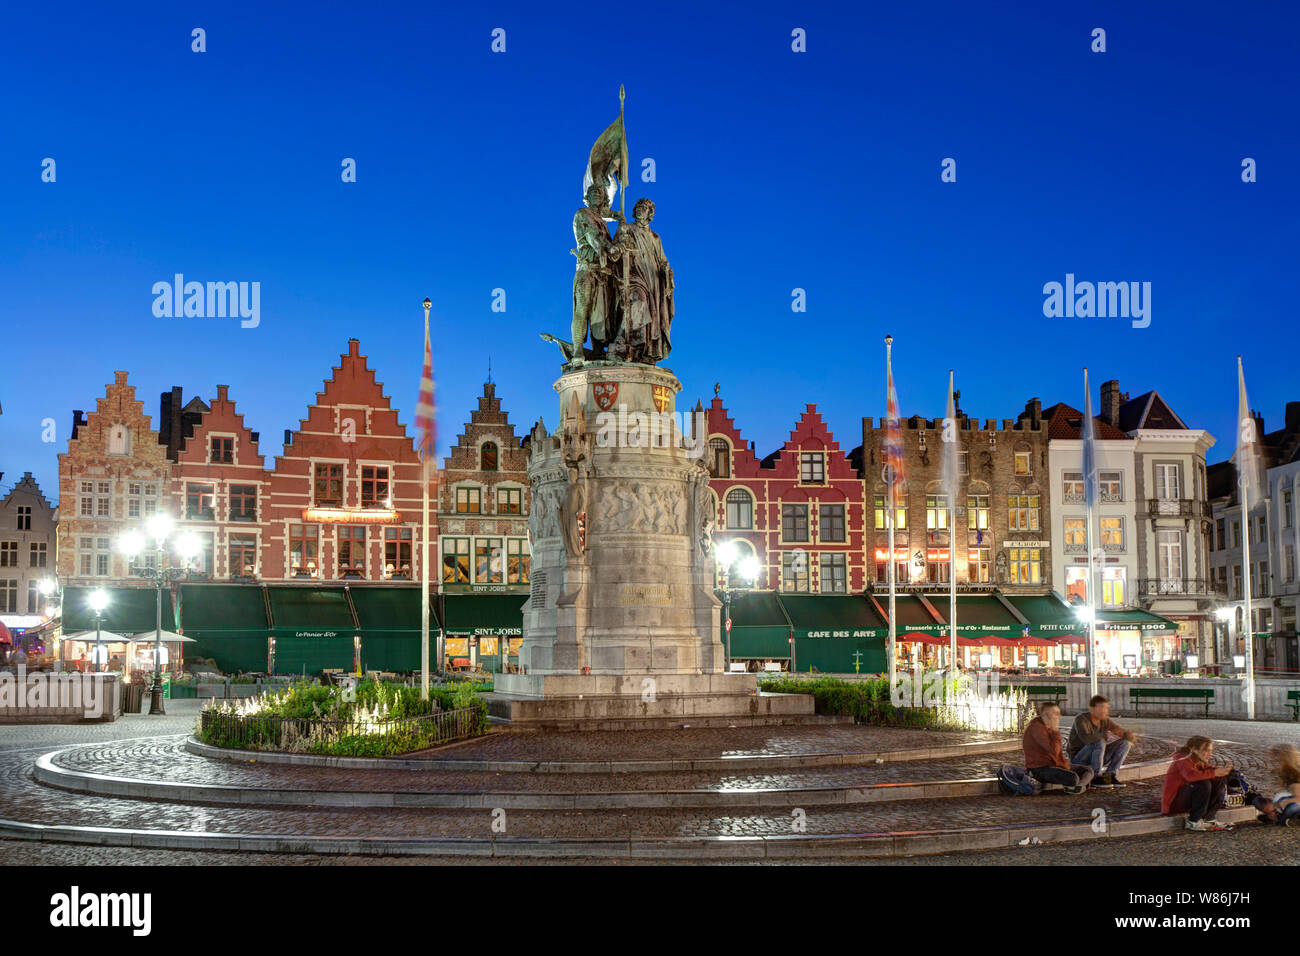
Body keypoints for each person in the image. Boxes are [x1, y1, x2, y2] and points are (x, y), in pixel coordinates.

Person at [1162, 736, 1234, 831]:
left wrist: (1222, 771)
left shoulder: (1198, 759)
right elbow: (1190, 775)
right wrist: (1214, 772)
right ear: (1194, 749)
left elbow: (1208, 770)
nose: (1210, 754)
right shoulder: (1182, 758)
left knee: (1219, 779)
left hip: (1188, 799)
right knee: (1203, 783)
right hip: (1174, 804)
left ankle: (1209, 818)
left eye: (1211, 751)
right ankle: (1193, 821)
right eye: (1206, 750)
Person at [1022, 702, 1094, 794]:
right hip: (1039, 769)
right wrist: (1055, 730)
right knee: (1073, 777)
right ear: (1046, 714)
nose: (1059, 715)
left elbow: (1058, 755)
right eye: (1055, 713)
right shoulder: (1036, 728)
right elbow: (1053, 751)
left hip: (1055, 765)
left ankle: (1077, 787)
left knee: (1088, 770)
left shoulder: (1048, 727)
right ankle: (1076, 786)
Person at [1068, 694, 1137, 788]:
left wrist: (1127, 735)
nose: (1105, 710)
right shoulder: (1081, 719)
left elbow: (1117, 729)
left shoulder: (1104, 720)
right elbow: (1085, 738)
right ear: (1092, 708)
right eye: (1101, 707)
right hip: (1079, 760)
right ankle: (1095, 777)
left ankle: (1110, 776)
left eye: (1106, 708)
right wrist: (1102, 735)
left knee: (1125, 743)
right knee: (1100, 741)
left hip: (1096, 759)